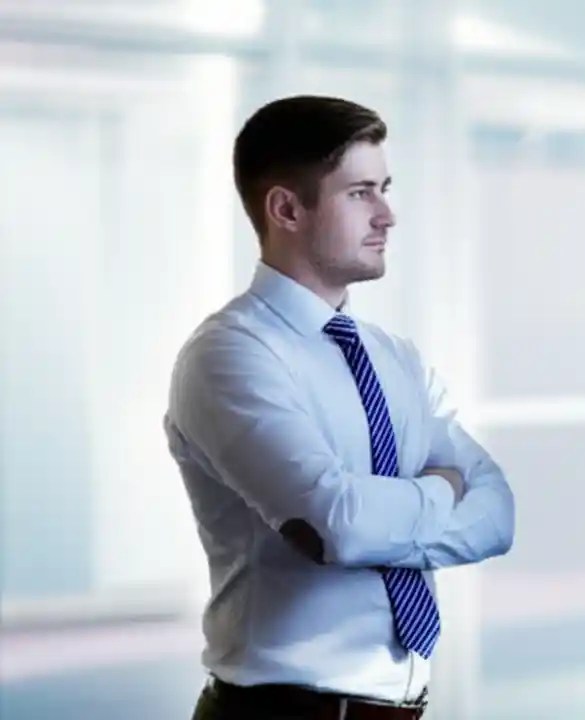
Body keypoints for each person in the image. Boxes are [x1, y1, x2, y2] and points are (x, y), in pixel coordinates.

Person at [164, 95, 515, 720]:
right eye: (360, 193)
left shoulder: (393, 357)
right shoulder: (230, 356)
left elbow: (497, 514)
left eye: (384, 188)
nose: (388, 215)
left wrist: (381, 521)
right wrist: (440, 489)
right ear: (286, 208)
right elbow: (336, 526)